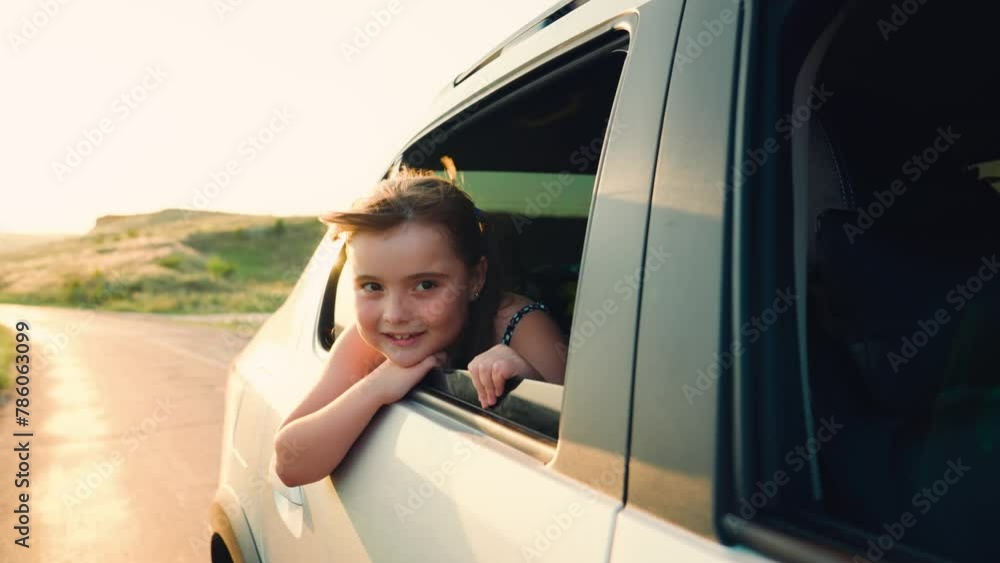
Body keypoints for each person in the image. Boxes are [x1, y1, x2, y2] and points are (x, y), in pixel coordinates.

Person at [273, 168, 567, 487]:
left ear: (475, 278)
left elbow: (582, 458)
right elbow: (289, 463)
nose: (395, 314)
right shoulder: (366, 340)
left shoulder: (521, 326)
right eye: (372, 286)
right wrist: (376, 387)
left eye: (425, 285)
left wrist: (527, 377)